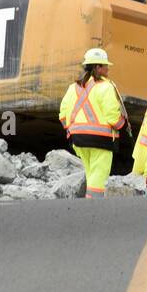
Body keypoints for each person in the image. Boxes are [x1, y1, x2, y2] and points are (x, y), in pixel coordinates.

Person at [58, 48, 127, 198]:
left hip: (77, 140)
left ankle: (88, 204)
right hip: (100, 141)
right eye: (105, 65)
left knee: (91, 172)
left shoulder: (73, 88)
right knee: (99, 175)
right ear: (97, 67)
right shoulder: (106, 87)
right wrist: (122, 124)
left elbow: (62, 115)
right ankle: (93, 207)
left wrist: (71, 129)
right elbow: (113, 118)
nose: (108, 68)